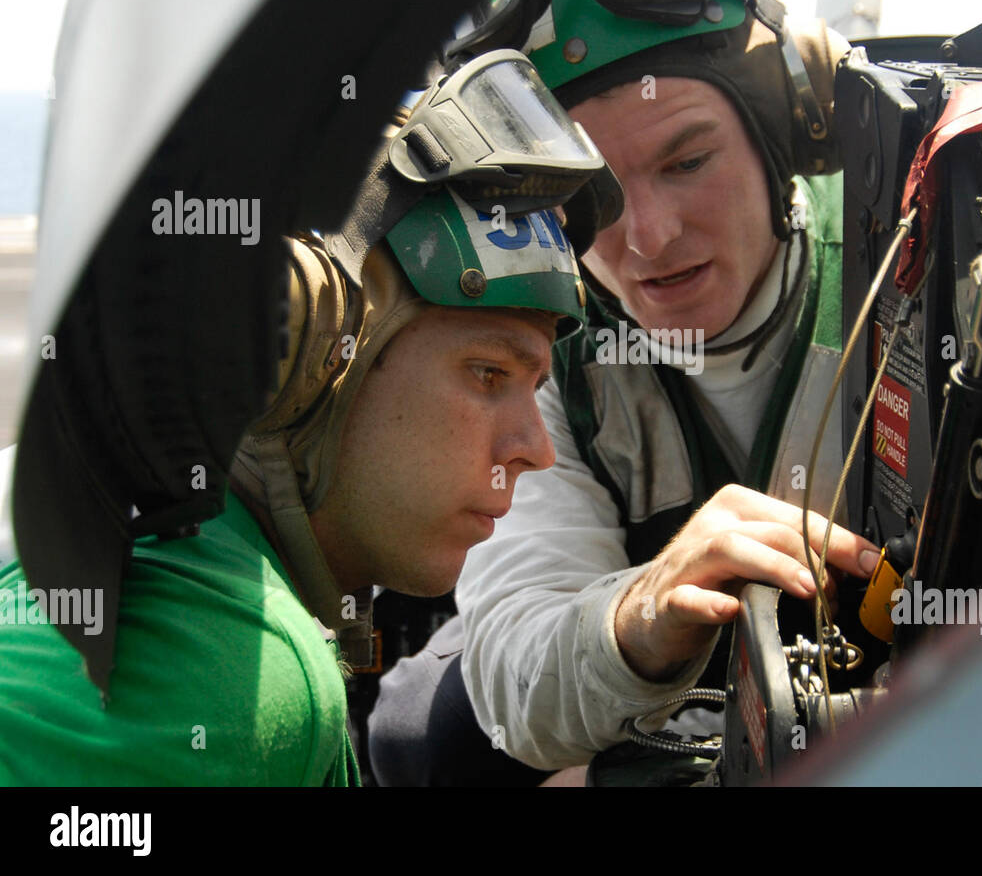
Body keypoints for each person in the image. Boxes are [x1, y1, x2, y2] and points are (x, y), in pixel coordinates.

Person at [0, 50, 615, 785]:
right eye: (488, 374)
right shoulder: (234, 661)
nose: (536, 450)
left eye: (536, 384)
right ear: (307, 352)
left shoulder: (129, 514)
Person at [368, 0, 879, 785]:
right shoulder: (547, 347)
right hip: (652, 696)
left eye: (688, 161)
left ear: (781, 138)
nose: (648, 238)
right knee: (421, 738)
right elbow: (516, 680)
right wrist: (647, 612)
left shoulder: (896, 270)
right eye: (596, 191)